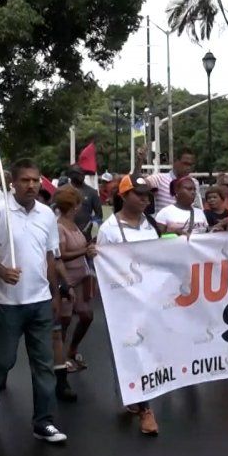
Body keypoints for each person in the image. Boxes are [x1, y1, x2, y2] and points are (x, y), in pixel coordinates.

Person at [0, 159, 69, 444]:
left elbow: (50, 256)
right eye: (25, 180)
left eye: (35, 180)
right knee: (3, 361)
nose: (31, 185)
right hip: (6, 303)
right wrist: (2, 271)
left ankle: (44, 422)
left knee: (43, 364)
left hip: (39, 302)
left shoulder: (46, 215)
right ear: (13, 183)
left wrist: (54, 293)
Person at [97, 174, 162, 436]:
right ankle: (146, 409)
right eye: (139, 194)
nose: (145, 199)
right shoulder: (109, 229)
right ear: (123, 196)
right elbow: (102, 266)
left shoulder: (151, 225)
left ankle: (134, 393)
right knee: (132, 350)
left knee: (147, 349)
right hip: (122, 301)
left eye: (147, 195)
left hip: (150, 299)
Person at [52, 186, 96, 386]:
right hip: (66, 279)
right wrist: (84, 251)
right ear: (74, 205)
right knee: (65, 320)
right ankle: (60, 359)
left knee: (87, 315)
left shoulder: (73, 224)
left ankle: (72, 349)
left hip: (82, 276)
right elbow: (60, 255)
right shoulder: (59, 226)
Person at [142, 147, 202, 212]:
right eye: (185, 164)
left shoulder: (194, 182)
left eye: (191, 165)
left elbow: (198, 208)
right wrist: (139, 161)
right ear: (175, 161)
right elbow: (140, 185)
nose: (188, 168)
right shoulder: (159, 179)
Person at [65, 165, 103, 234]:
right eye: (78, 173)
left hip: (85, 235)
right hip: (66, 233)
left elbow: (99, 215)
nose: (82, 175)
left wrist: (90, 225)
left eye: (83, 173)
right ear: (71, 175)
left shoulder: (92, 192)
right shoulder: (62, 191)